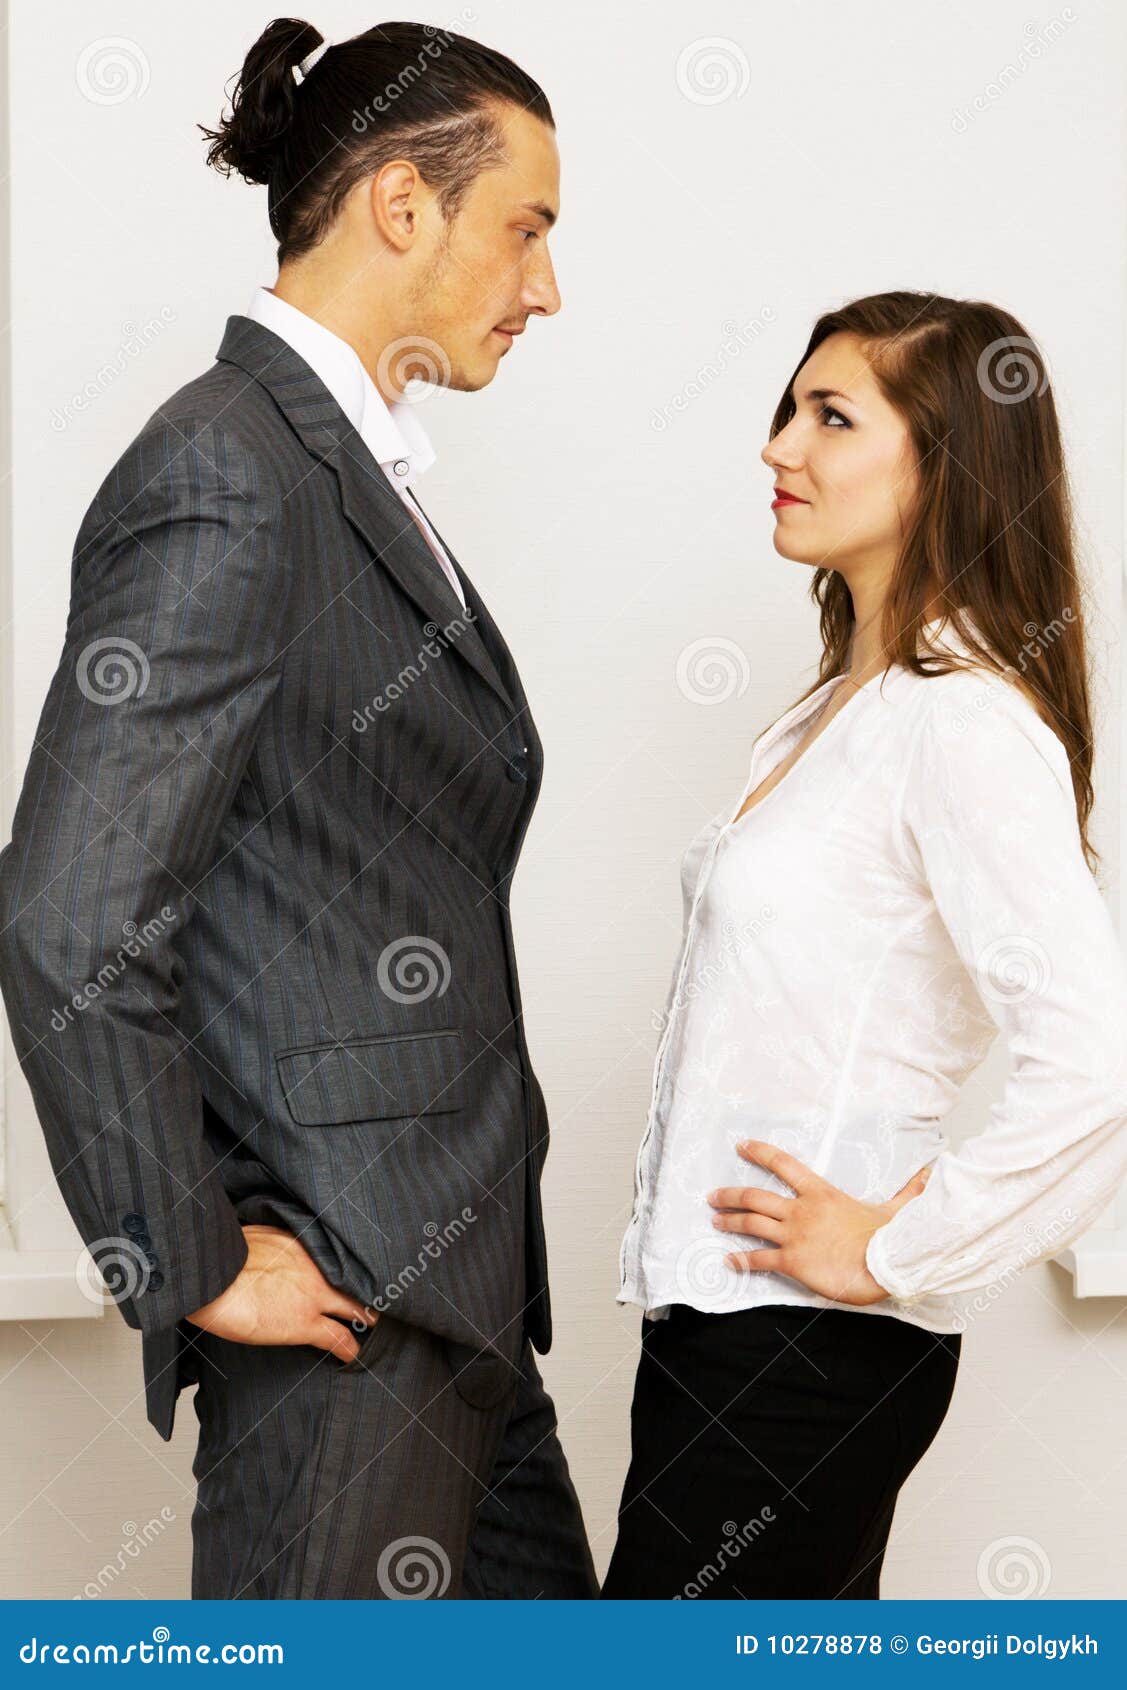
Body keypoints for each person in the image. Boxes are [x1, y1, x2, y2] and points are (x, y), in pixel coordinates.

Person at [0, 19, 598, 1601]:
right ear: (404, 204)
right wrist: (185, 1255)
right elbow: (71, 911)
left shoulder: (340, 461)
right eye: (526, 228)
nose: (546, 286)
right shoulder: (228, 468)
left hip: (456, 1301)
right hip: (351, 1321)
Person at [604, 291, 1127, 1599]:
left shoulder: (962, 723)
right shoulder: (828, 716)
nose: (780, 446)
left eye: (831, 416)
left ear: (948, 461)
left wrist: (893, 1248)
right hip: (730, 1331)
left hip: (806, 1349)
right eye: (790, 409)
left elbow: (1098, 1059)